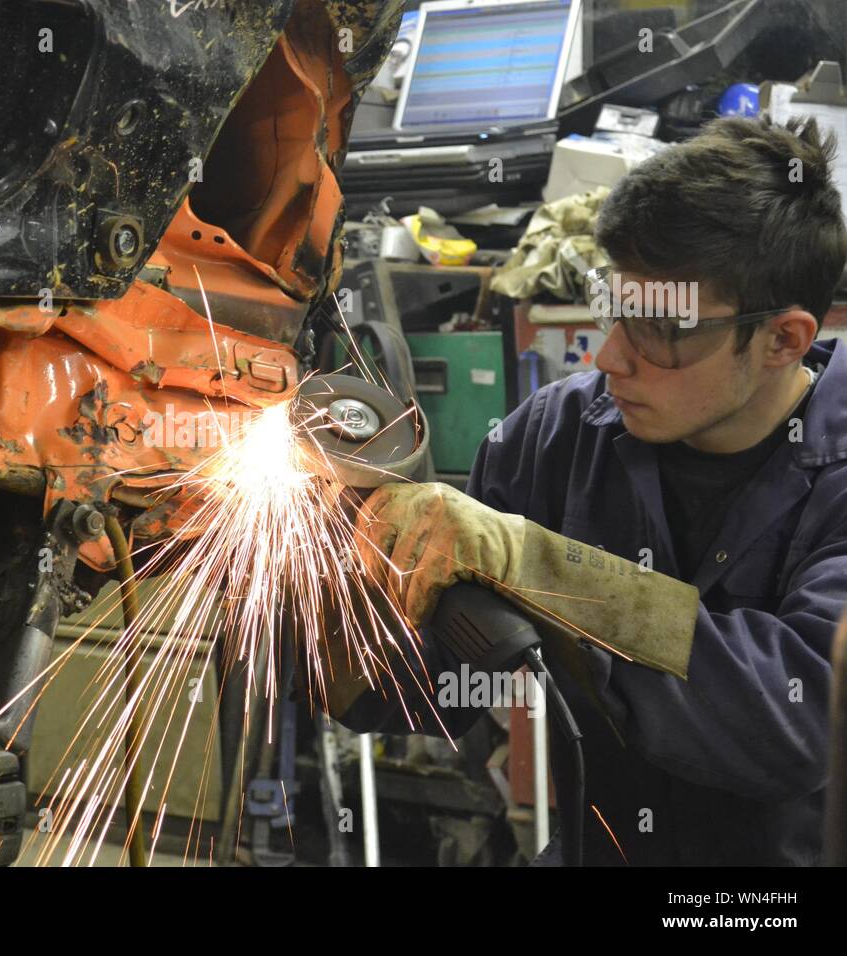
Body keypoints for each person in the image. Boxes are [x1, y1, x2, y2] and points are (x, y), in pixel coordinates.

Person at [326, 115, 847, 865]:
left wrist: (538, 567)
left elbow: (798, 723)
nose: (610, 358)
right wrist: (336, 595)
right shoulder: (557, 436)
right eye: (614, 310)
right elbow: (439, 686)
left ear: (783, 340)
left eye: (660, 332)